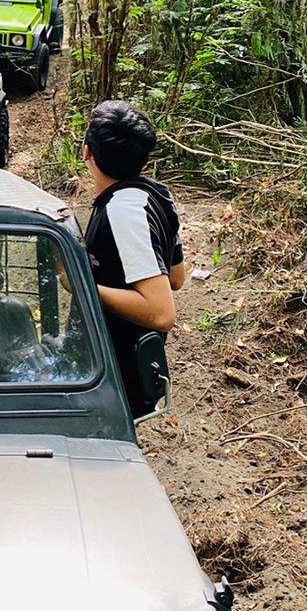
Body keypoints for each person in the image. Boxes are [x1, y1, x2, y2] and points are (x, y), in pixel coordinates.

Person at [80, 100, 185, 414]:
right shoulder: (153, 194)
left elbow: (161, 312)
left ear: (87, 152)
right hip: (124, 368)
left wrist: (82, 285)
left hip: (116, 375)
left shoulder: (124, 210)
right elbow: (176, 277)